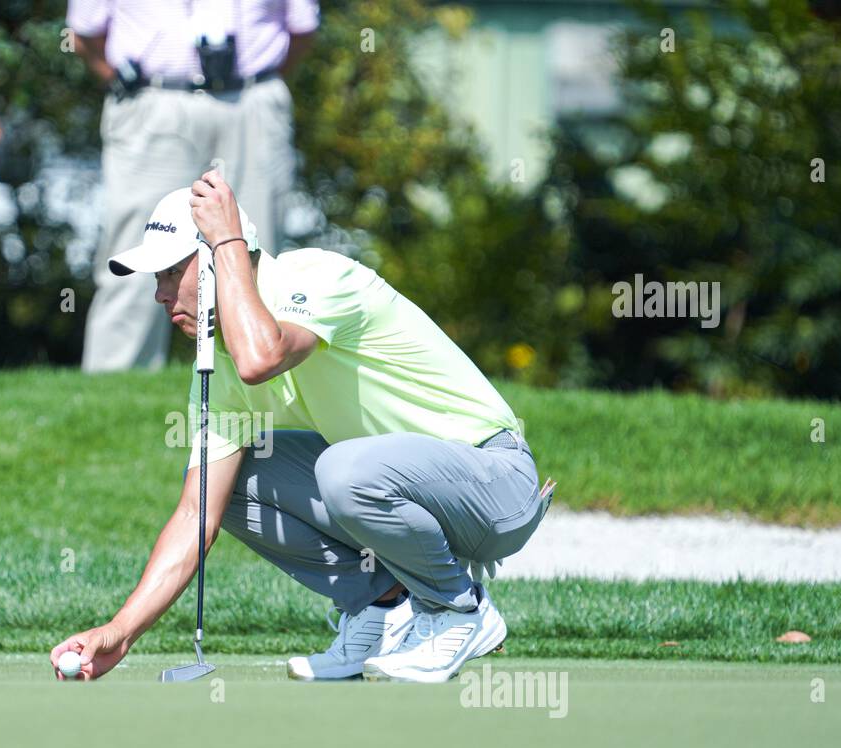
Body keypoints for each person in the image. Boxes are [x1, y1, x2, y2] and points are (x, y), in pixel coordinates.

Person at [49, 169, 554, 683]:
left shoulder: (313, 276)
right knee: (233, 482)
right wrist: (121, 630)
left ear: (213, 263)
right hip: (405, 492)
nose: (159, 295)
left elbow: (261, 356)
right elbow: (196, 514)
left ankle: (458, 610)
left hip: (495, 481)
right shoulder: (220, 361)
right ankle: (383, 607)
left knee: (344, 467)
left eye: (169, 273)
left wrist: (226, 240)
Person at [68, 0, 319, 372]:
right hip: (154, 100)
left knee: (258, 251)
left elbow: (302, 27)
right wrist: (124, 82)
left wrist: (258, 82)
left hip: (252, 99)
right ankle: (115, 386)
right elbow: (84, 34)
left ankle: (265, 381)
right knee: (136, 250)